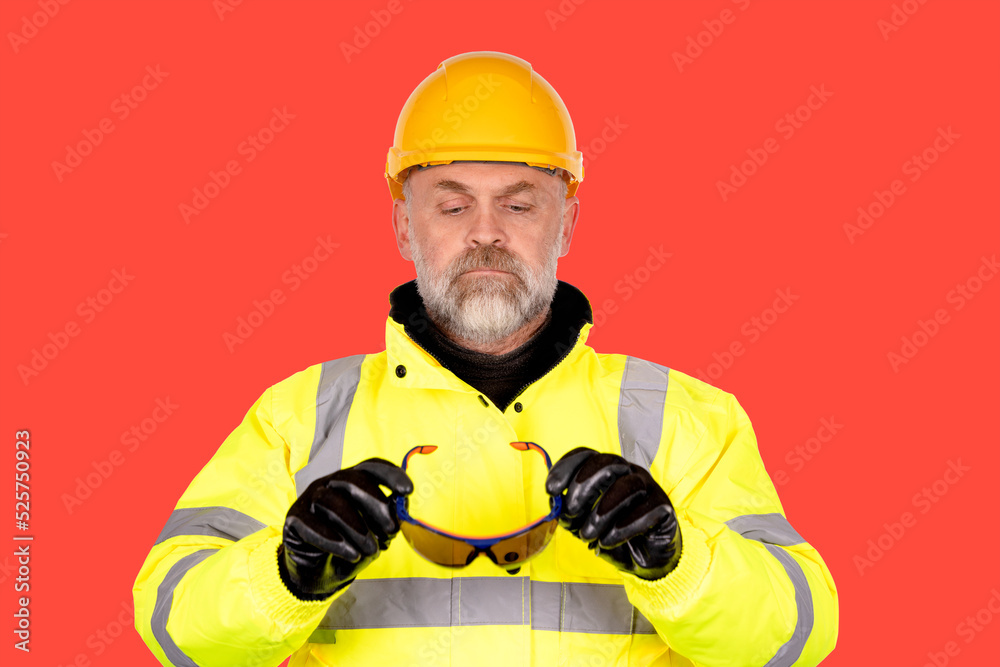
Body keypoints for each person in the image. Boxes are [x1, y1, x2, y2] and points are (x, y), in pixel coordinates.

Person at [133, 51, 838, 667]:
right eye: (451, 206)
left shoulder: (682, 417)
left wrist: (679, 562)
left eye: (520, 204)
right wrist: (281, 575)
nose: (486, 235)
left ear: (567, 222)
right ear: (404, 224)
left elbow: (797, 634)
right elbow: (176, 630)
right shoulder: (300, 417)